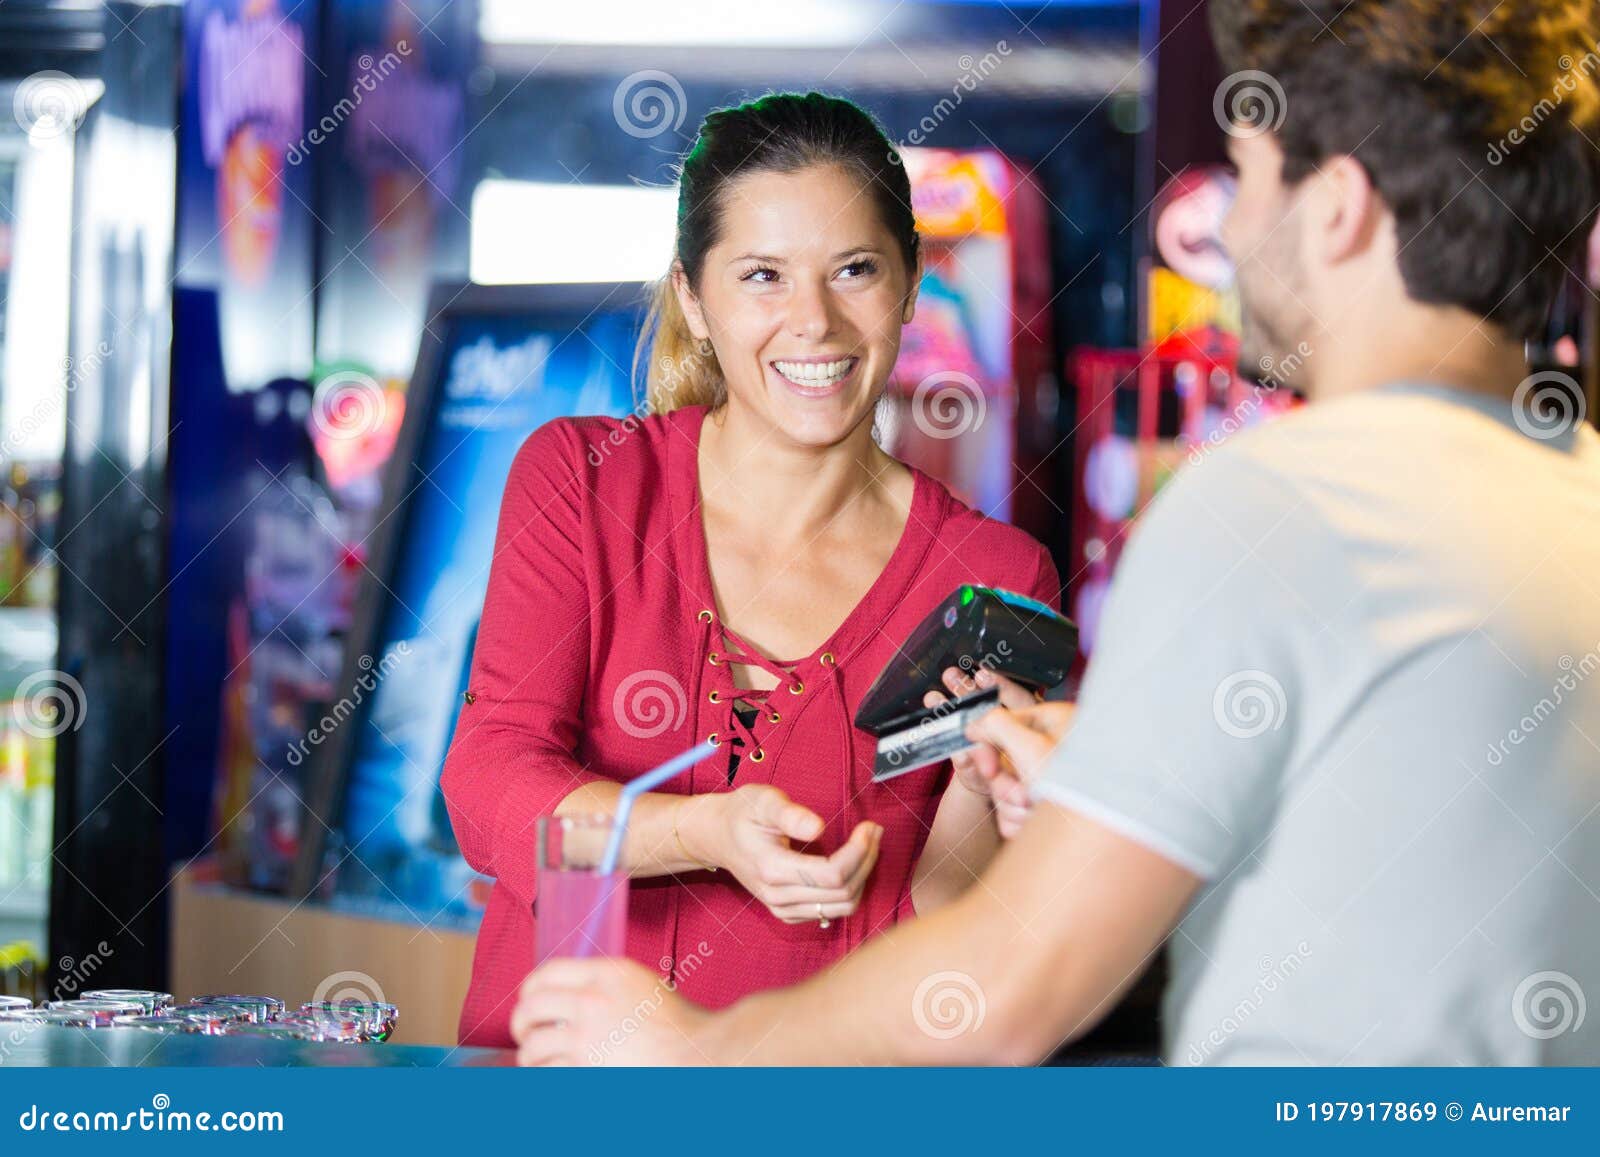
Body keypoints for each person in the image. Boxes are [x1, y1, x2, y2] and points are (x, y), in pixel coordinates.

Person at [510, 0, 1600, 1065]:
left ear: (1338, 209)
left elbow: (1007, 989)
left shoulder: (1273, 507)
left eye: (1249, 172)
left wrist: (700, 1050)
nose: (1224, 223)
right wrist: (1112, 784)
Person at [441, 92, 1059, 1048]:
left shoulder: (993, 572)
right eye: (763, 275)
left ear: (906, 286)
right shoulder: (585, 480)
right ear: (695, 296)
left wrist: (981, 784)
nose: (812, 321)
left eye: (854, 270)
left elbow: (944, 938)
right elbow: (487, 790)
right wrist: (703, 831)